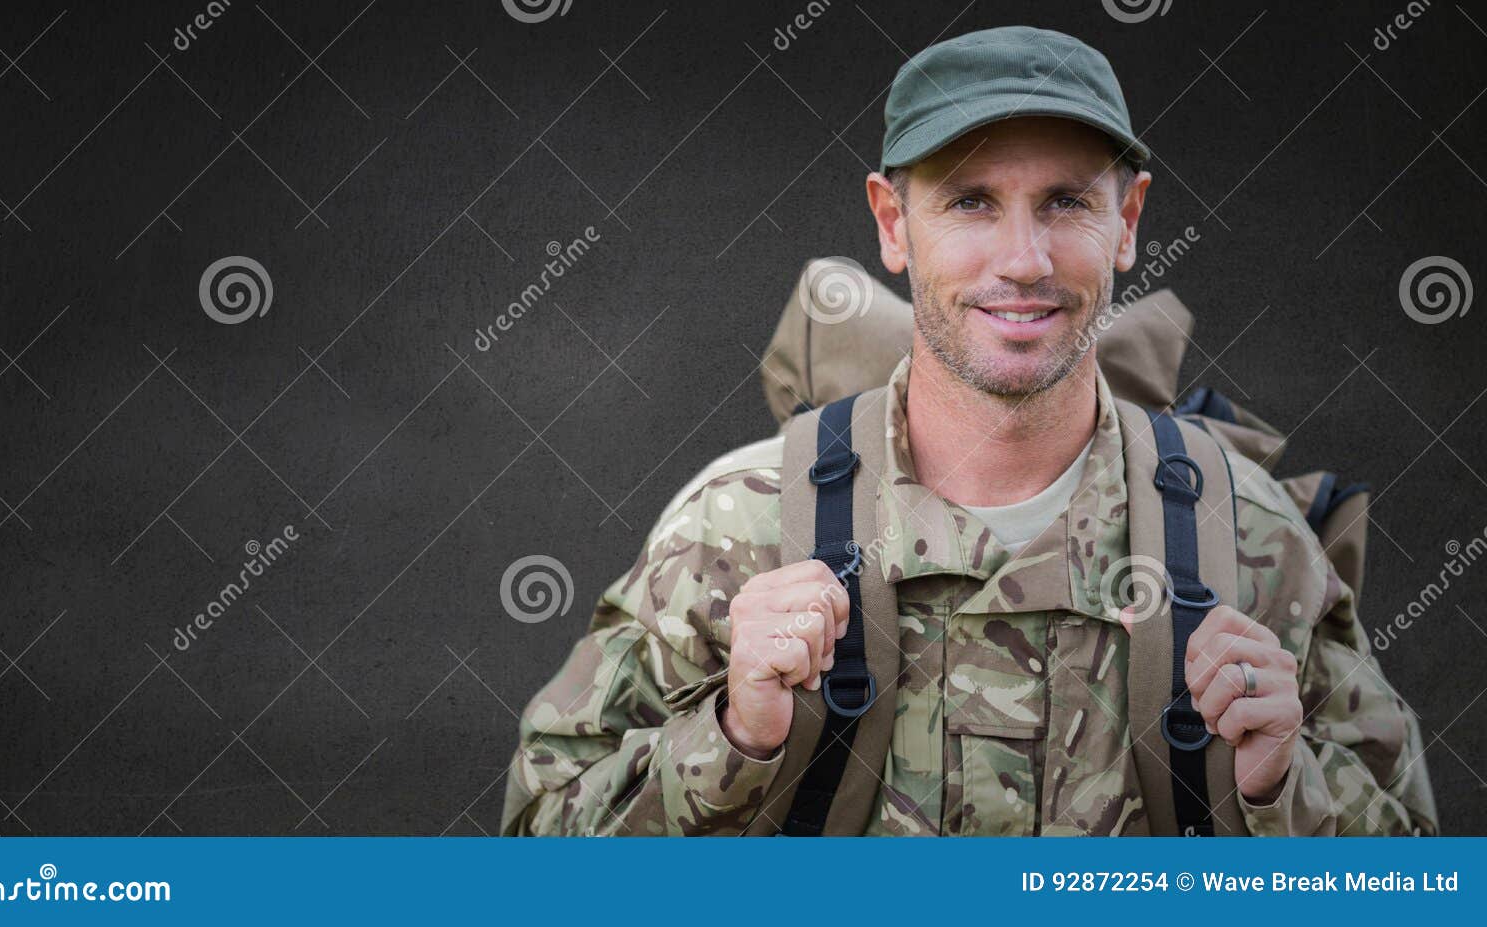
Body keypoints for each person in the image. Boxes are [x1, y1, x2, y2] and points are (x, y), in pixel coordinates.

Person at [499, 25, 1438, 836]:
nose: (1023, 261)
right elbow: (537, 853)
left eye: (1067, 201)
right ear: (892, 223)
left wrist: (1279, 784)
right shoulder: (732, 532)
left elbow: (1415, 884)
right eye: (970, 201)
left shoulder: (1251, 542)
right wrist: (736, 738)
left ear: (1129, 220)